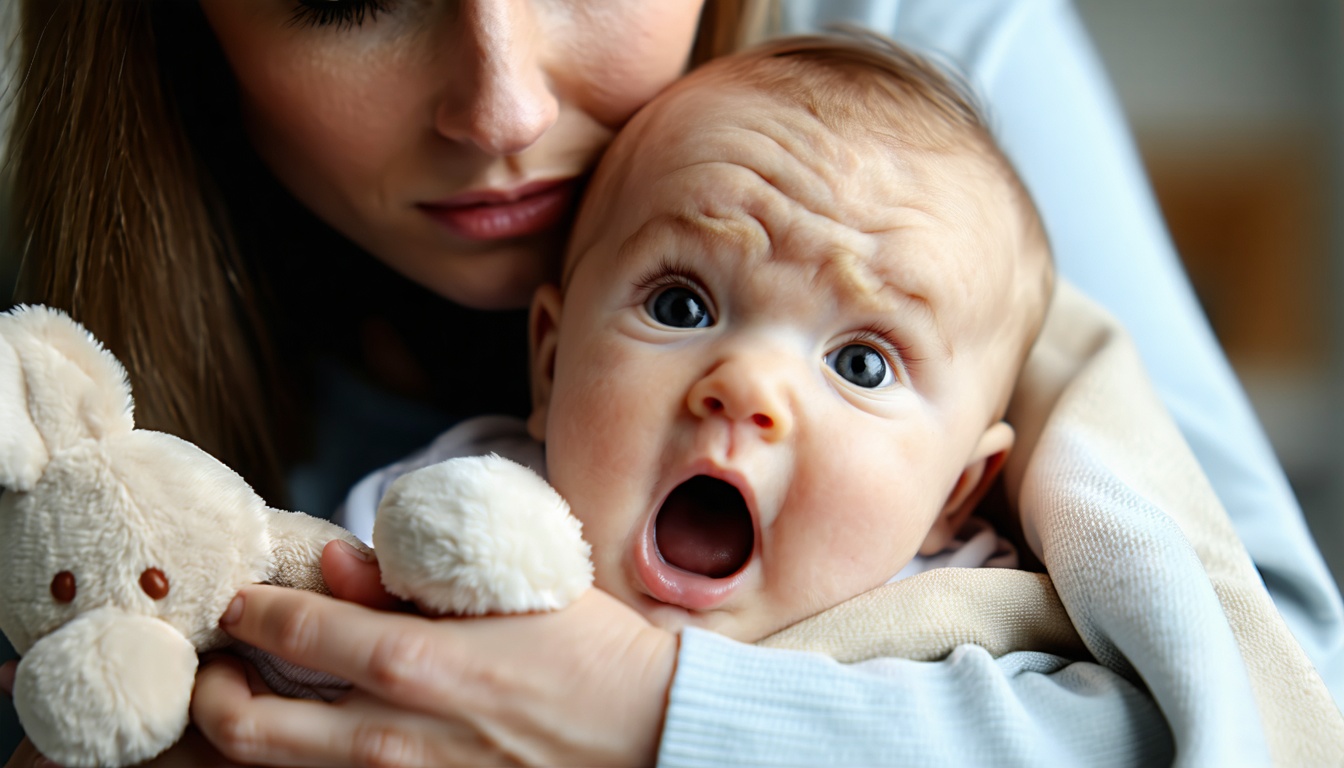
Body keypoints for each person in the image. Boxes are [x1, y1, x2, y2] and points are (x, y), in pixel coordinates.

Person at [1, 0, 1339, 765]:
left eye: (859, 362)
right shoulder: (399, 517)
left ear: (967, 485)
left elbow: (1281, 706)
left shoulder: (914, 131)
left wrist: (660, 718)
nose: (504, 109)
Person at [338, 34, 1054, 646]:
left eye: (861, 365)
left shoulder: (956, 621)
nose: (746, 386)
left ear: (953, 494)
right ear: (553, 366)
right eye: (681, 308)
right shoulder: (459, 509)